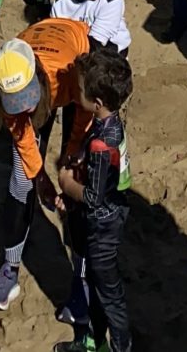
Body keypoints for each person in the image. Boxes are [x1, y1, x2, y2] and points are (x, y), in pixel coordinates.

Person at [0, 18, 94, 314]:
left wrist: (69, 157)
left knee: (77, 176)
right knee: (21, 179)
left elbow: (83, 115)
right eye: (16, 100)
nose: (26, 106)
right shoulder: (2, 80)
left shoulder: (69, 73)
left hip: (71, 55)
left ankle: (81, 282)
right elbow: (24, 138)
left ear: (37, 77)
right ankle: (9, 268)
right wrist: (40, 178)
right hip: (40, 53)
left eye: (27, 95)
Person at [56, 48, 137, 352]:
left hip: (104, 224)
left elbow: (93, 196)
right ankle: (94, 342)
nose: (76, 95)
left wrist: (67, 184)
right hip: (110, 214)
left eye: (79, 90)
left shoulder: (104, 141)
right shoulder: (108, 126)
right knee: (96, 284)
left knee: (109, 294)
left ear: (98, 103)